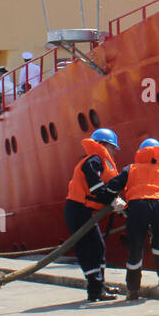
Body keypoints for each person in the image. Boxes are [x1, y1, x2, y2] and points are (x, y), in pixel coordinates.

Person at [64, 128, 129, 301]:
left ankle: (99, 286)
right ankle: (95, 290)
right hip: (77, 209)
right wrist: (112, 199)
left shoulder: (97, 161)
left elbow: (100, 190)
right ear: (103, 145)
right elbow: (96, 188)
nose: (115, 151)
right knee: (90, 249)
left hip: (82, 210)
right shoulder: (93, 161)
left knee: (98, 247)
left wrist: (115, 201)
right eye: (112, 147)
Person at [121, 138, 159, 300]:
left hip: (137, 207)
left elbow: (115, 184)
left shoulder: (131, 169)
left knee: (136, 247)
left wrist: (114, 201)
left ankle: (133, 289)